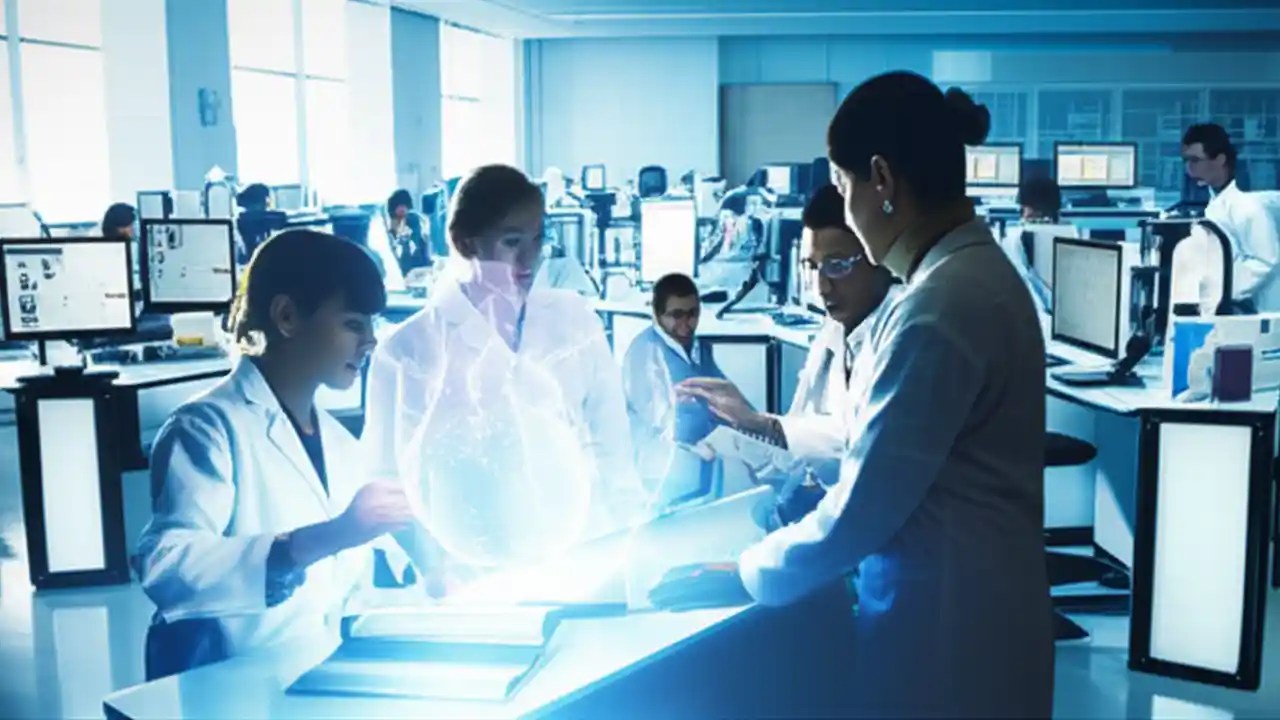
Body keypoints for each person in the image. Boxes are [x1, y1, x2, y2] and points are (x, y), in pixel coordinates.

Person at [653, 72, 1054, 717]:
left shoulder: (939, 309)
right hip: (974, 608)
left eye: (844, 188)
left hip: (945, 632)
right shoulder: (969, 276)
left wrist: (750, 571)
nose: (844, 208)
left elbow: (864, 508)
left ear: (882, 180)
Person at [135, 230, 415, 680]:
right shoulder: (208, 428)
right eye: (352, 324)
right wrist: (321, 539)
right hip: (229, 683)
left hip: (318, 673)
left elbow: (355, 568)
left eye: (372, 325)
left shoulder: (340, 442)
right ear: (286, 316)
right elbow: (166, 565)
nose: (370, 343)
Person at [361, 164, 647, 592]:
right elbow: (387, 485)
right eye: (512, 242)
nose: (528, 260)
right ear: (464, 243)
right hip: (469, 574)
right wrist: (434, 569)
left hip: (583, 559)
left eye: (537, 240)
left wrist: (632, 547)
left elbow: (613, 450)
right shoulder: (407, 349)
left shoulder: (574, 320)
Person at [678, 184, 899, 521]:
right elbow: (793, 460)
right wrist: (730, 425)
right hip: (821, 521)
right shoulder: (835, 328)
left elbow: (859, 453)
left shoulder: (908, 334)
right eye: (812, 267)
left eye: (837, 266)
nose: (822, 287)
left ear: (881, 259)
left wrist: (758, 423)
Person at [622, 273, 729, 506]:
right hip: (664, 466)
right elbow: (656, 417)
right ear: (658, 315)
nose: (686, 323)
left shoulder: (697, 348)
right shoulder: (645, 353)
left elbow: (723, 394)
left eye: (693, 314)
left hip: (702, 454)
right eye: (677, 315)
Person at [1182, 123, 1280, 313]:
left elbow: (1265, 261)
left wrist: (1220, 290)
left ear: (1219, 159)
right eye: (1186, 161)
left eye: (1195, 160)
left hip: (1253, 311)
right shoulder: (1217, 202)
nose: (1189, 169)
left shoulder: (1247, 207)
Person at [386, 189, 432, 277]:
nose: (402, 208)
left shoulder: (413, 219)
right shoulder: (391, 224)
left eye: (404, 205)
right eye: (399, 205)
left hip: (419, 264)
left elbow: (417, 239)